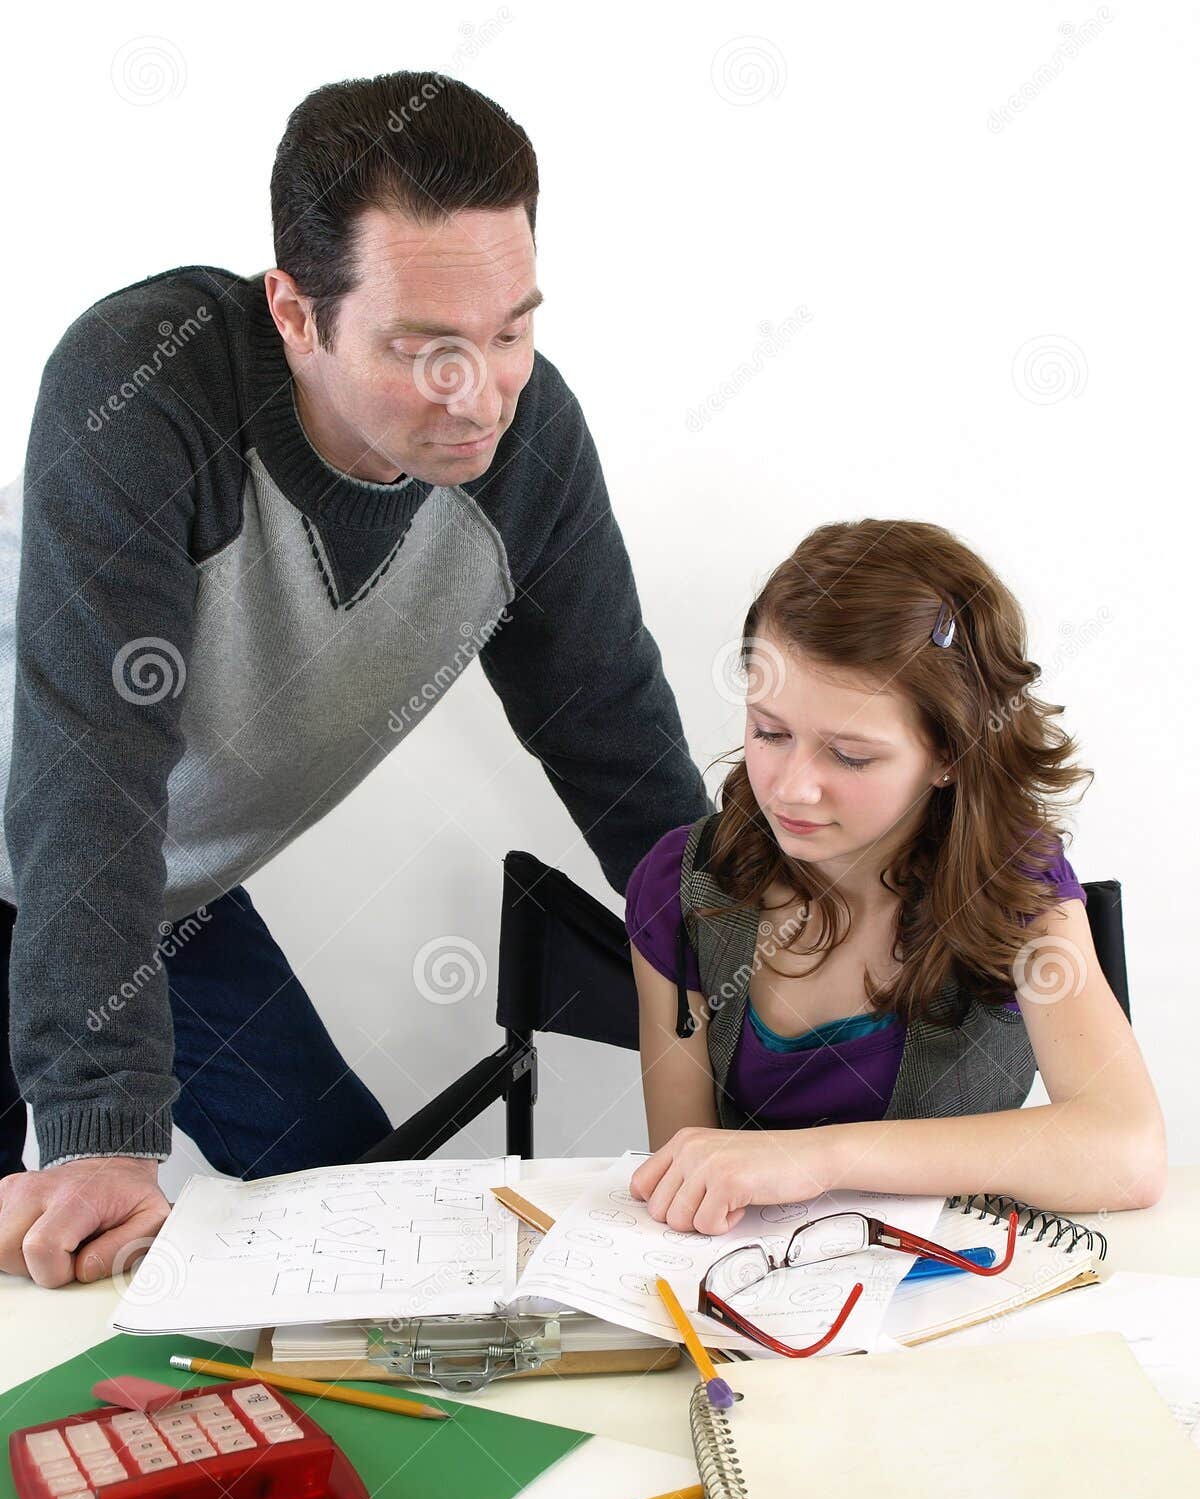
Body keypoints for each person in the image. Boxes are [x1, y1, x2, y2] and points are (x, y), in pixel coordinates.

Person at [0, 70, 711, 1287]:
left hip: (156, 896)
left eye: (509, 332)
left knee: (355, 1216)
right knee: (53, 1246)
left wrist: (762, 960)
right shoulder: (146, 384)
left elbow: (616, 741)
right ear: (294, 311)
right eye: (421, 347)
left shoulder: (529, 452)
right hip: (74, 834)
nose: (477, 394)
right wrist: (102, 1128)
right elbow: (88, 767)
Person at [625, 518, 1166, 1235]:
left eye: (850, 755)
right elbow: (681, 1178)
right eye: (770, 732)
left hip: (957, 1278)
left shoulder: (1016, 885)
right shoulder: (682, 886)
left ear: (950, 754)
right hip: (753, 1278)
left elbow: (1128, 1154)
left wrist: (819, 1159)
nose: (791, 789)